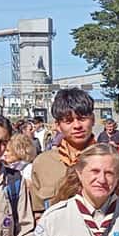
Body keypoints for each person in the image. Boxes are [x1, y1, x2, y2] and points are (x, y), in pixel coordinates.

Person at [30, 88, 96, 219]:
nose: (77, 126)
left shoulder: (110, 161)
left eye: (82, 119)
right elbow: (37, 213)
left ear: (93, 120)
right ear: (58, 125)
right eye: (68, 121)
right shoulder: (43, 163)